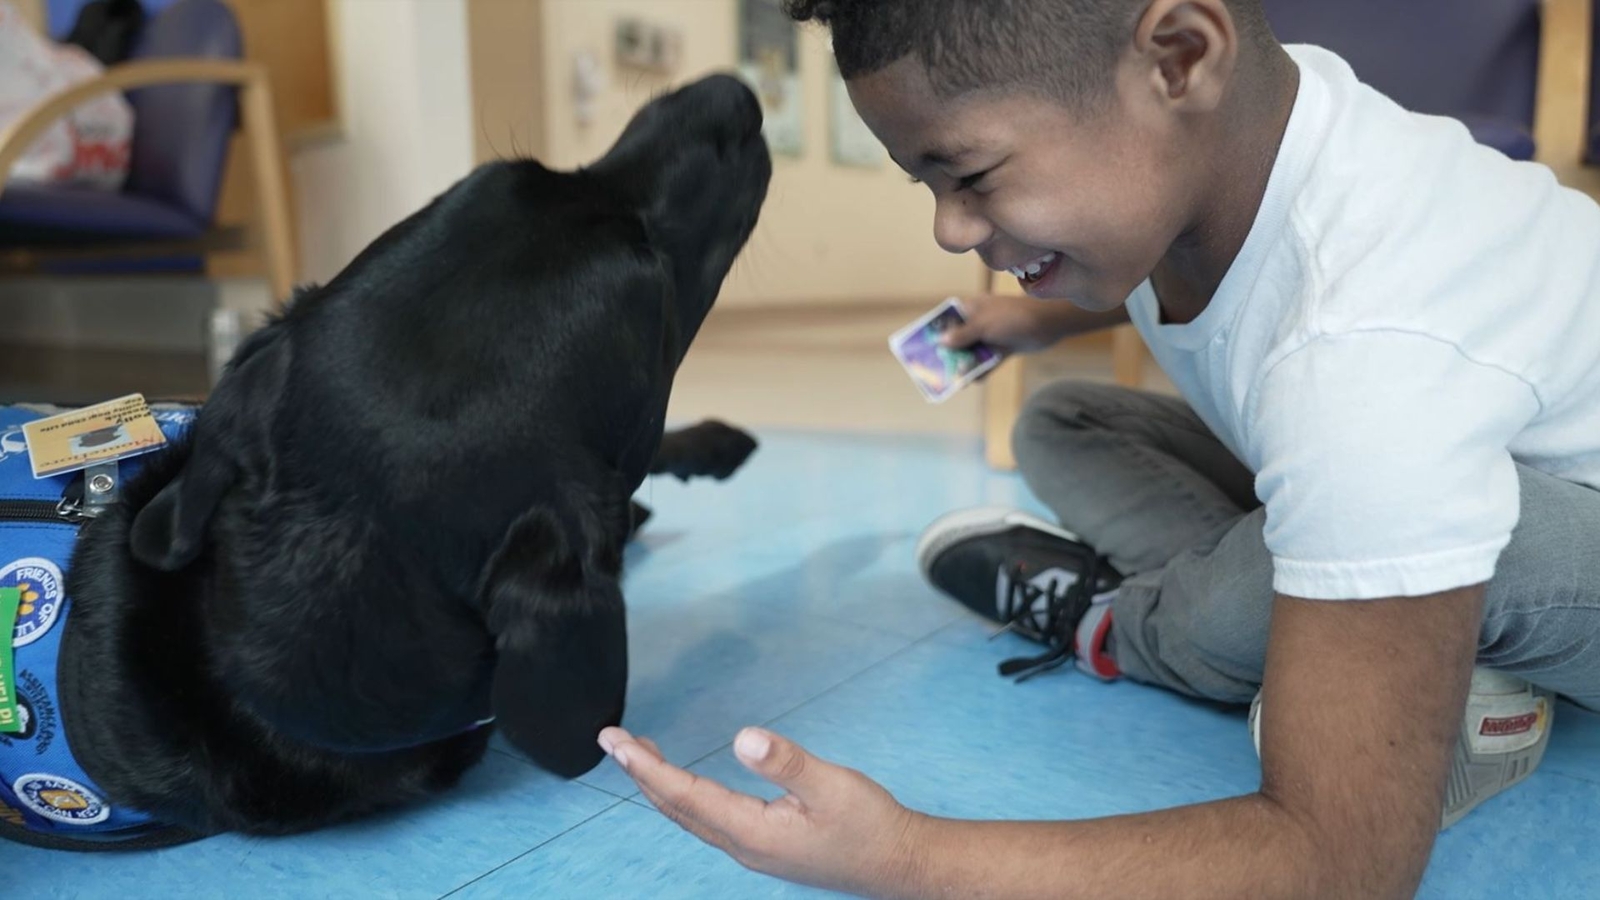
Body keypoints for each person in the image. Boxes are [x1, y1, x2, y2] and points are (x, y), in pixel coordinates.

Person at [597, 1, 1600, 896]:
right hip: (1423, 460)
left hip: (1548, 524)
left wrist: (900, 855)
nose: (949, 228)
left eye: (973, 174)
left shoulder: (1370, 358)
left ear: (1176, 55)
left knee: (1369, 542)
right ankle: (1346, 629)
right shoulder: (1250, 134)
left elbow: (1339, 863)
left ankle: (1127, 627)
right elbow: (1235, 274)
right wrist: (1037, 320)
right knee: (1063, 422)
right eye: (927, 185)